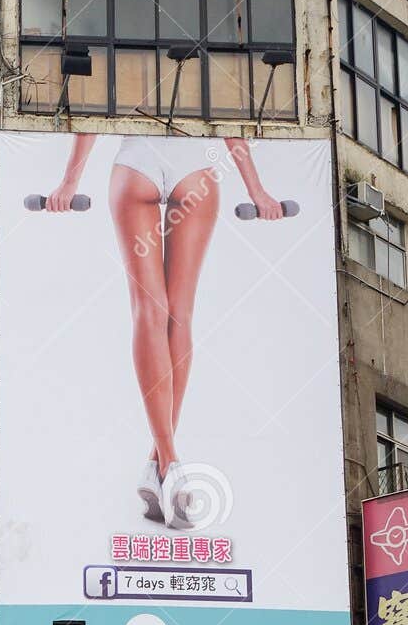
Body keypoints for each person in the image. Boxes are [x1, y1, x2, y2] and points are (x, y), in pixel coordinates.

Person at [44, 132, 283, 529]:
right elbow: (230, 116)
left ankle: (161, 463)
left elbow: (92, 111)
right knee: (178, 316)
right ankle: (168, 462)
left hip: (136, 162)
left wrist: (70, 182)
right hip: (194, 168)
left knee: (149, 312)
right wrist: (256, 190)